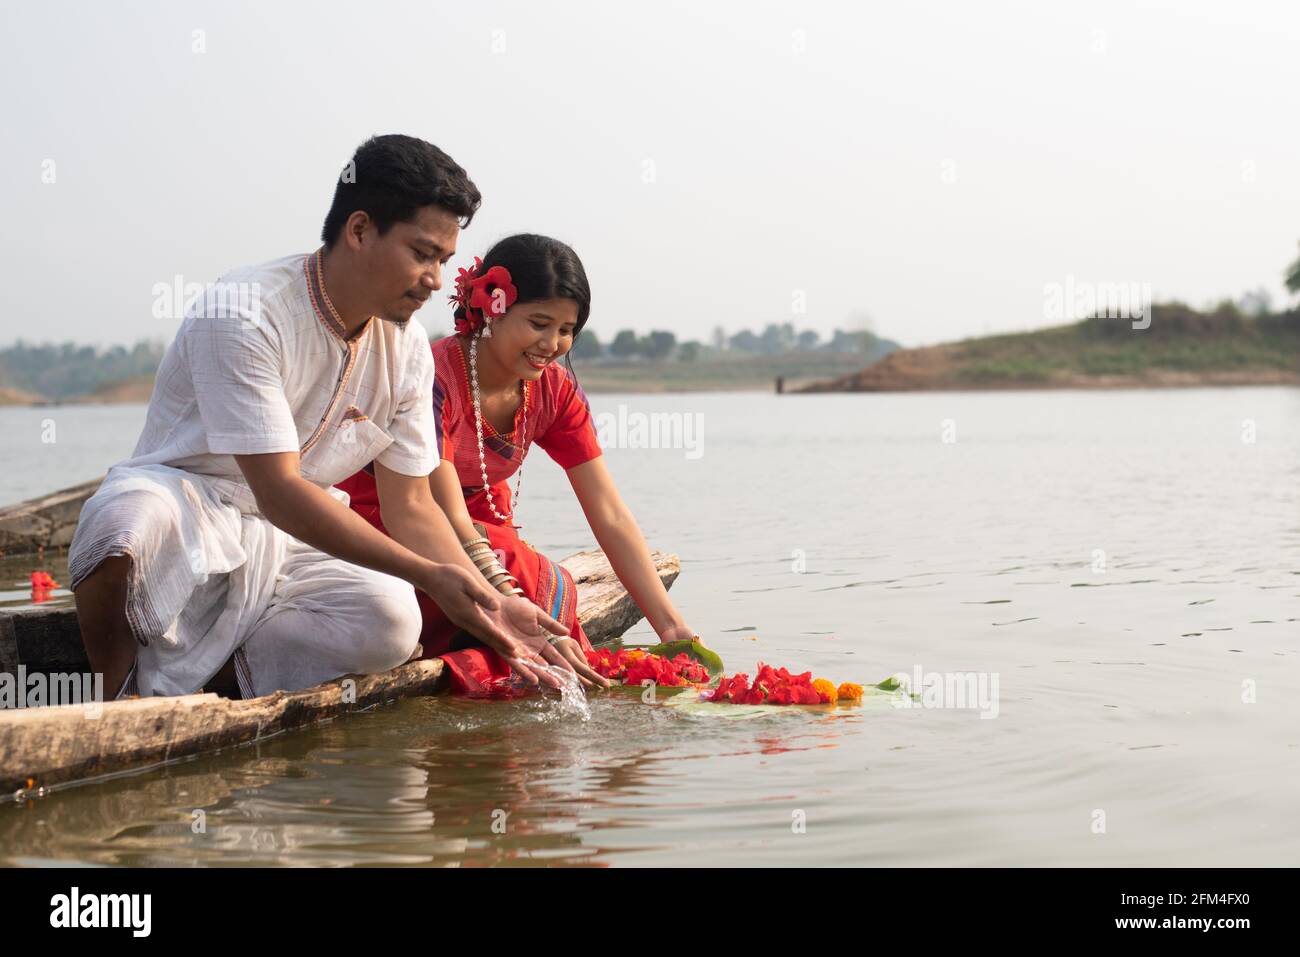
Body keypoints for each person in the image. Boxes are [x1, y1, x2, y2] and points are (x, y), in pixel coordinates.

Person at [69, 136, 580, 701]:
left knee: (392, 623)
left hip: (291, 539)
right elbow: (279, 491)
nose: (435, 279)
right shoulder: (244, 311)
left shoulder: (406, 347)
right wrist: (428, 574)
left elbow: (409, 504)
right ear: (359, 231)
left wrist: (493, 598)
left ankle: (217, 685)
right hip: (189, 504)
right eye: (422, 253)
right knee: (124, 527)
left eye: (444, 261)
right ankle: (115, 692)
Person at [336, 234, 696, 694]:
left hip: (481, 535)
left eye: (567, 330)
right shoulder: (432, 375)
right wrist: (508, 599)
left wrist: (670, 627)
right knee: (535, 578)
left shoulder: (555, 390)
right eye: (539, 323)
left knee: (536, 581)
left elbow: (608, 512)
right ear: (492, 308)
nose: (553, 343)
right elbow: (440, 513)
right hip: (394, 526)